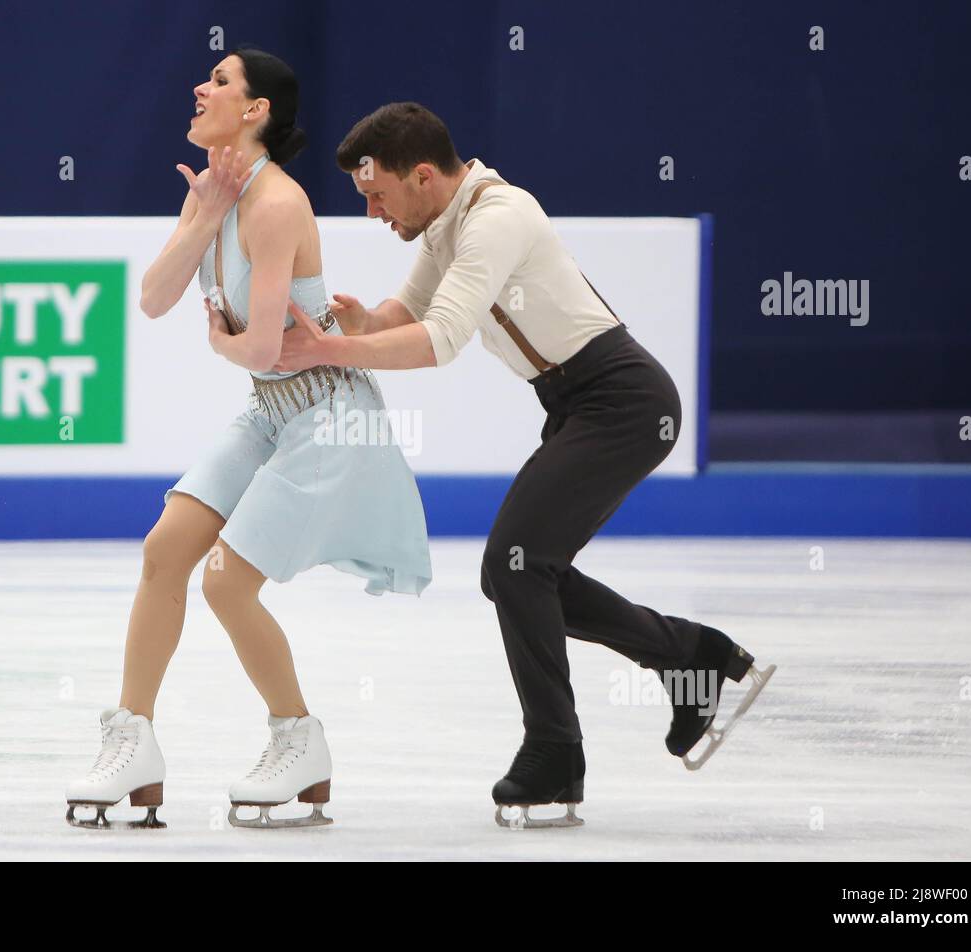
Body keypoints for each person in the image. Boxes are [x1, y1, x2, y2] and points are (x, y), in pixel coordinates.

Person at [276, 102, 774, 828]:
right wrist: (358, 324)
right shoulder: (446, 223)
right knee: (511, 569)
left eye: (378, 194)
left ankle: (556, 750)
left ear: (422, 175)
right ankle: (688, 657)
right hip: (577, 403)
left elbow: (441, 340)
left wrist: (329, 352)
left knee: (516, 562)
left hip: (623, 400)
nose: (373, 210)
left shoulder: (496, 216)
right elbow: (406, 314)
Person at [64, 55, 431, 831]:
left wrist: (220, 344)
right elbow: (154, 298)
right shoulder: (221, 195)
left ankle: (299, 739)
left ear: (256, 109)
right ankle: (133, 741)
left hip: (330, 416)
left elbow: (262, 348)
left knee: (226, 582)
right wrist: (202, 216)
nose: (201, 88)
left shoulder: (274, 204)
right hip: (271, 412)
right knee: (167, 549)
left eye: (221, 80)